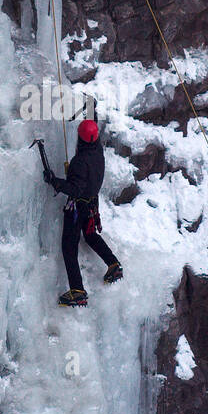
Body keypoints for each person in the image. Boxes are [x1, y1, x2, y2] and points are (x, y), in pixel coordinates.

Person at [44, 119, 122, 306]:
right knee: (89, 234)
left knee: (69, 247)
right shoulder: (97, 152)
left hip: (78, 207)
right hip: (91, 203)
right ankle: (113, 264)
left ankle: (78, 291)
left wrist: (55, 181)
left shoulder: (80, 161)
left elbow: (75, 189)